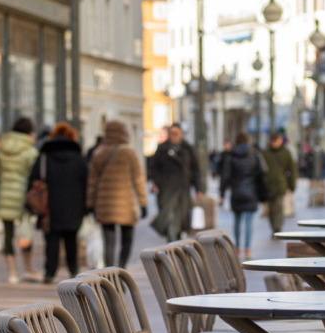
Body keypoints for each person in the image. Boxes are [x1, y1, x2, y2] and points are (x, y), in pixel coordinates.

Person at [30, 122, 87, 284]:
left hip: (49, 207)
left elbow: (33, 181)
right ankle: (73, 269)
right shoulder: (79, 158)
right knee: (71, 239)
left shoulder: (44, 158)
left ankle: (49, 272)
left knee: (51, 241)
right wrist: (86, 207)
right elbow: (86, 183)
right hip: (74, 206)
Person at [88, 119, 147, 269]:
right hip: (126, 204)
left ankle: (110, 271)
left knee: (109, 241)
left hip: (105, 205)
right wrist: (143, 203)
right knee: (127, 239)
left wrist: (89, 204)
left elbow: (92, 182)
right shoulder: (129, 153)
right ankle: (122, 265)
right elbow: (138, 180)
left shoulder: (99, 153)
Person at [0, 117, 40, 284]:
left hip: (4, 195)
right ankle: (28, 268)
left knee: (8, 234)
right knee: (25, 232)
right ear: (29, 132)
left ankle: (12, 272)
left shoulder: (2, 148)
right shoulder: (30, 151)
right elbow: (35, 175)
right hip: (23, 197)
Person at [149, 123, 203, 241]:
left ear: (181, 134)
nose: (173, 136)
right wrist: (157, 182)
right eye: (171, 133)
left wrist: (199, 188)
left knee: (181, 218)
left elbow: (195, 169)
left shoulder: (187, 149)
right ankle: (172, 241)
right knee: (169, 217)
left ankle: (175, 240)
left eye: (176, 133)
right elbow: (154, 168)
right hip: (167, 189)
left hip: (183, 189)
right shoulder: (162, 149)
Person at [220, 132, 266, 258]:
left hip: (236, 191)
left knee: (237, 220)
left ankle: (237, 247)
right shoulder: (254, 154)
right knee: (249, 221)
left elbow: (225, 176)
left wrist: (222, 193)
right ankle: (247, 249)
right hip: (251, 191)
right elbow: (262, 172)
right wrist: (262, 193)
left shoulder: (231, 155)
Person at [262, 131, 297, 235]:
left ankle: (277, 228)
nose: (275, 143)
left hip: (281, 184)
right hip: (268, 185)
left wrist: (292, 184)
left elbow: (292, 169)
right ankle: (274, 227)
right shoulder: (265, 153)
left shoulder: (286, 153)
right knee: (271, 209)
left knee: (279, 207)